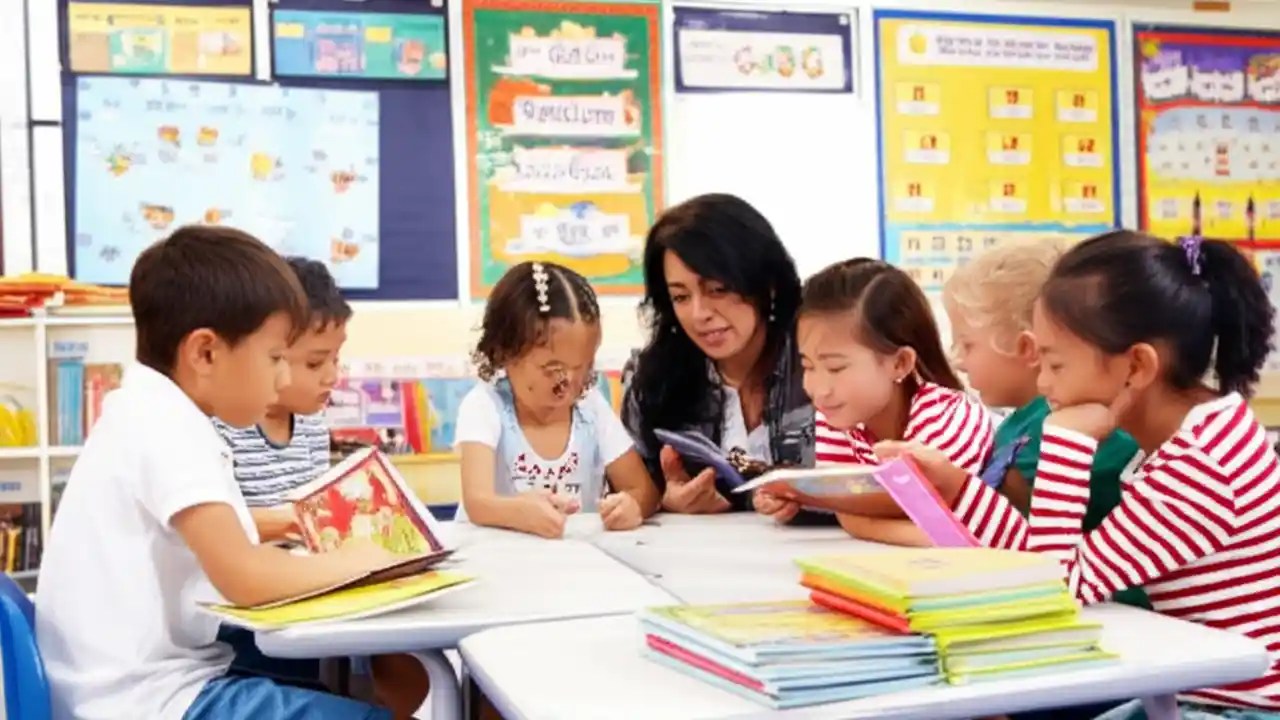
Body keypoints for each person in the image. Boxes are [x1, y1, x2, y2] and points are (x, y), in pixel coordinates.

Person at [883, 231, 1280, 716]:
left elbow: (1055, 591)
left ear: (1135, 365)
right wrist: (958, 487)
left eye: (1054, 363)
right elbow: (1057, 563)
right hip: (1198, 692)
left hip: (1236, 708)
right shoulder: (1196, 438)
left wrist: (1067, 444)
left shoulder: (1202, 466)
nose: (1044, 382)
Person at [37, 226, 400, 720]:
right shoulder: (167, 426)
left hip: (124, 689)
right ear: (205, 353)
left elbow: (224, 535)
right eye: (275, 358)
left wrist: (290, 524)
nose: (284, 377)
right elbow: (246, 576)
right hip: (148, 702)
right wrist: (363, 561)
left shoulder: (147, 409)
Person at [212, 257, 427, 718]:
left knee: (408, 657)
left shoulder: (310, 422)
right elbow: (220, 536)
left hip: (306, 596)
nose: (333, 375)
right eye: (315, 362)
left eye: (336, 357)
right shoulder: (219, 427)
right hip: (247, 622)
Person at [943, 240, 1151, 612]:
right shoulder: (1018, 426)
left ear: (1027, 349)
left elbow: (1041, 555)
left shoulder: (1076, 427)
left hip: (1111, 607)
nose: (958, 361)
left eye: (967, 344)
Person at [768, 258, 994, 545]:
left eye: (836, 368)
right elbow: (850, 506)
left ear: (900, 363)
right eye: (808, 366)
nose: (819, 389)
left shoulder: (946, 415)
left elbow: (944, 528)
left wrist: (855, 518)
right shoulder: (839, 415)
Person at [622, 193, 813, 516]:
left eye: (718, 290)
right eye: (680, 297)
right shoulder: (651, 379)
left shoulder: (819, 363)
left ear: (766, 284)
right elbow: (630, 490)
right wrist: (665, 501)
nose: (699, 314)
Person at [456, 261, 659, 538]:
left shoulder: (590, 408)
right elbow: (477, 501)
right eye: (552, 370)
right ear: (504, 352)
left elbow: (644, 489)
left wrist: (633, 505)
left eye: (583, 367)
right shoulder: (485, 406)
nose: (568, 383)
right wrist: (520, 512)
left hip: (574, 566)